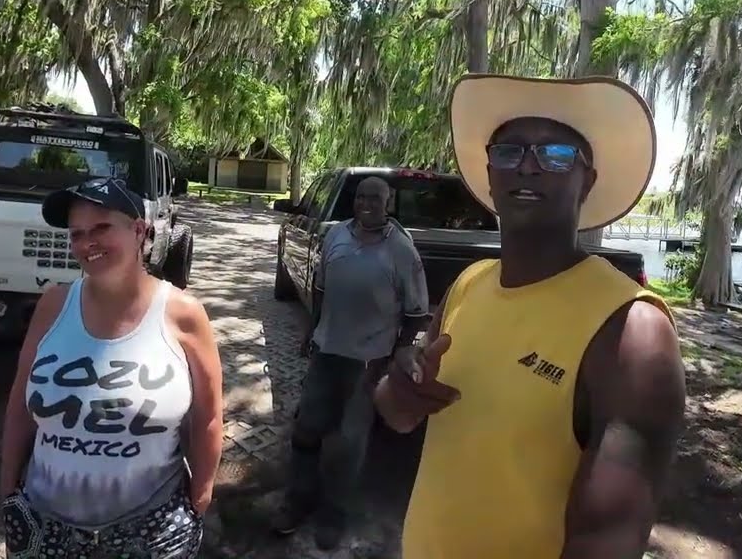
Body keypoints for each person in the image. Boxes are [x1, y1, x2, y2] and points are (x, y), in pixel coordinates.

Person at [376, 74, 686, 559]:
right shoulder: (469, 283)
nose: (528, 167)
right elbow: (395, 416)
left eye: (557, 155)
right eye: (509, 152)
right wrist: (401, 385)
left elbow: (605, 543)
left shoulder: (631, 331)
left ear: (589, 181)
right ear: (491, 173)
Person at [0, 177, 224, 559]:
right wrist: (7, 490)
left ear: (139, 230)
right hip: (44, 522)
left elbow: (209, 416)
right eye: (76, 233)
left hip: (152, 526)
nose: (87, 242)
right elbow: (21, 403)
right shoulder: (54, 305)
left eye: (102, 227)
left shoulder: (183, 314)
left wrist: (200, 497)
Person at [273, 175, 430, 550]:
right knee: (307, 429)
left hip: (367, 363)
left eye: (375, 198)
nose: (366, 203)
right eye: (361, 196)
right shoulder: (337, 235)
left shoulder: (401, 250)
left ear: (388, 204)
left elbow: (416, 311)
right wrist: (312, 331)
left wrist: (397, 350)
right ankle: (298, 501)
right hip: (327, 352)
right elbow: (321, 288)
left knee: (348, 444)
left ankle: (334, 513)